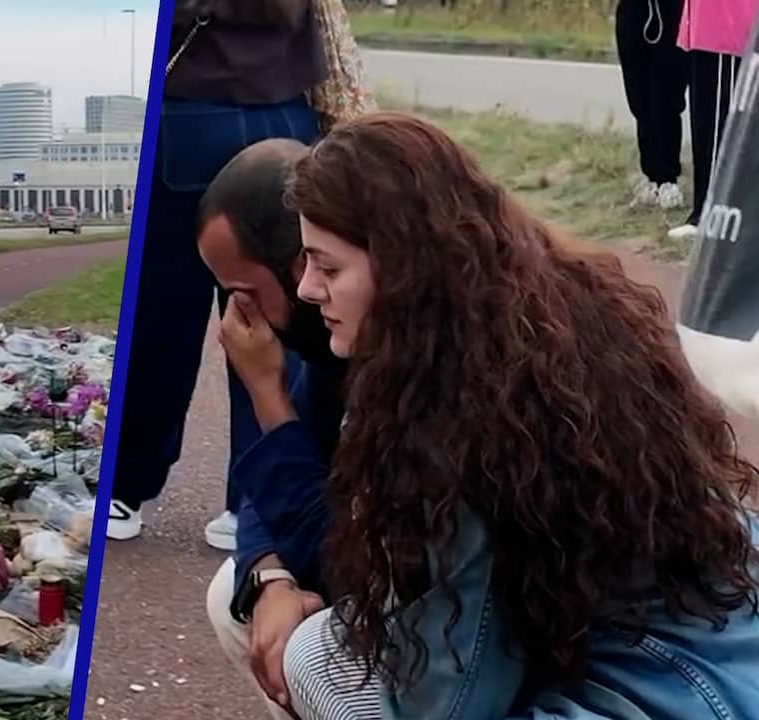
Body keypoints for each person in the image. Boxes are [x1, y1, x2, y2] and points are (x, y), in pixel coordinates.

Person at [273, 112, 759, 720]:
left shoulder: (454, 420)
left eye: (329, 267)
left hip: (657, 690)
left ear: (403, 267)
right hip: (720, 645)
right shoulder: (555, 307)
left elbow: (453, 696)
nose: (307, 290)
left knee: (315, 663)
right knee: (331, 647)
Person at [110, 0, 375, 549]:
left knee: (161, 317)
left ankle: (126, 484)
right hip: (285, 110)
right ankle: (258, 495)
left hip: (187, 109)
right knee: (291, 308)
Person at [195, 139, 349, 719]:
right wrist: (270, 578)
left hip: (536, 674)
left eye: (243, 295)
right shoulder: (331, 335)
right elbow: (271, 505)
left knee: (305, 648)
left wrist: (265, 391)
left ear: (301, 265)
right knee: (241, 593)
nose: (238, 324)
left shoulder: (394, 355)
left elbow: (340, 557)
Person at [669, 0, 759, 241]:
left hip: (725, 27)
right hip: (707, 26)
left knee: (717, 126)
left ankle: (709, 214)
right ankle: (709, 210)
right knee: (707, 124)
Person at [614, 0, 689, 209]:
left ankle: (668, 179)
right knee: (639, 99)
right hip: (633, 12)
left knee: (666, 96)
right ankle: (651, 176)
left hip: (670, 14)